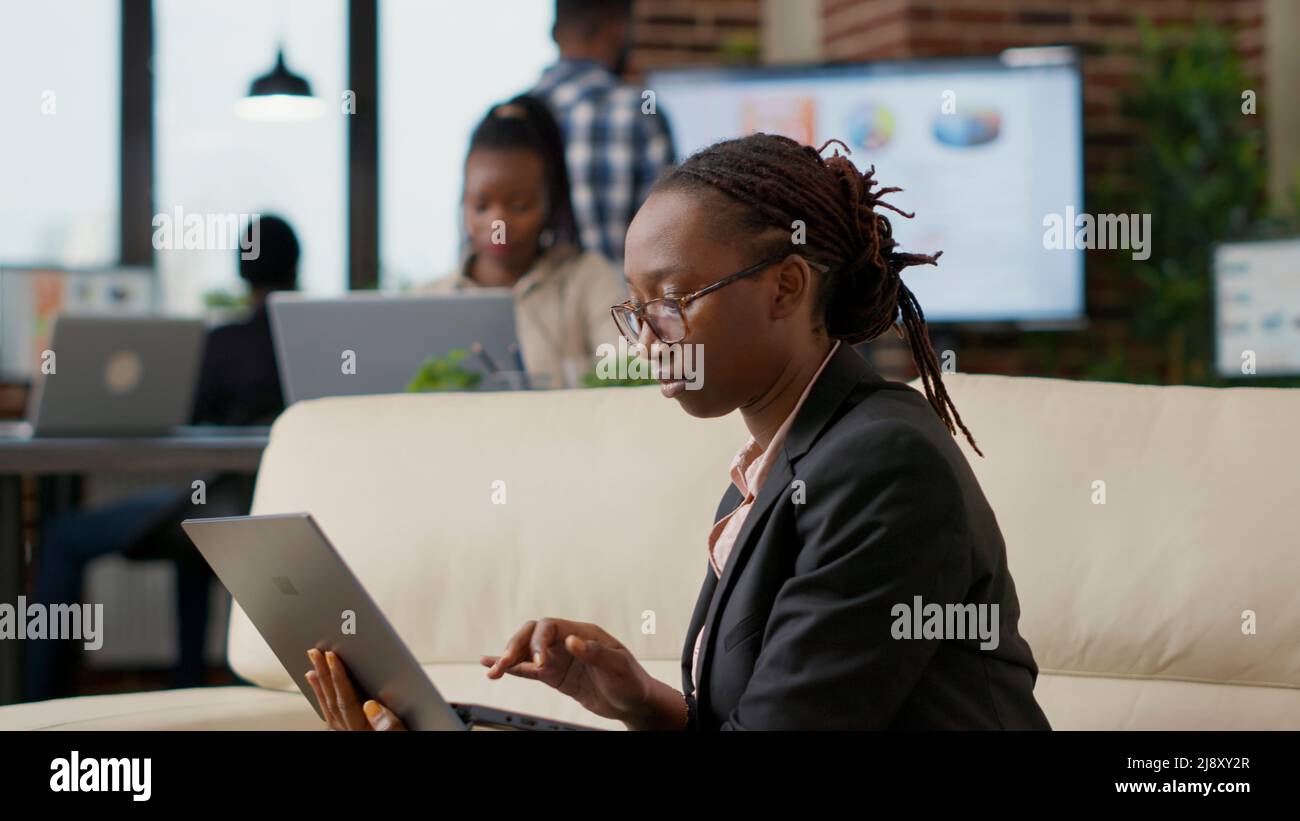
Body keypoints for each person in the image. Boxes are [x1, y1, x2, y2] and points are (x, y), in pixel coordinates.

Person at [305, 133, 1050, 731]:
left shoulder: (882, 465)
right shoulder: (775, 466)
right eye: (635, 307)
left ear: (785, 287)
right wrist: (644, 702)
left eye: (671, 299)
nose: (646, 338)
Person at [24, 215, 299, 701]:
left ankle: (37, 700)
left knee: (67, 536)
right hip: (265, 512)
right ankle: (188, 685)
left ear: (240, 270)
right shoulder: (305, 345)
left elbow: (179, 413)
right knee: (195, 531)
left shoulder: (224, 344)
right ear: (297, 267)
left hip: (216, 508)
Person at [423, 94, 625, 389]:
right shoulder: (430, 300)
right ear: (463, 202)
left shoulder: (589, 282)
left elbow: (625, 376)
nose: (498, 225)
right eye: (480, 206)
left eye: (519, 206)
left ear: (550, 204)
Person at [530, 0, 675, 263]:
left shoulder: (512, 118)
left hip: (535, 303)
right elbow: (666, 237)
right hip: (619, 303)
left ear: (554, 32)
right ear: (618, 30)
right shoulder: (643, 112)